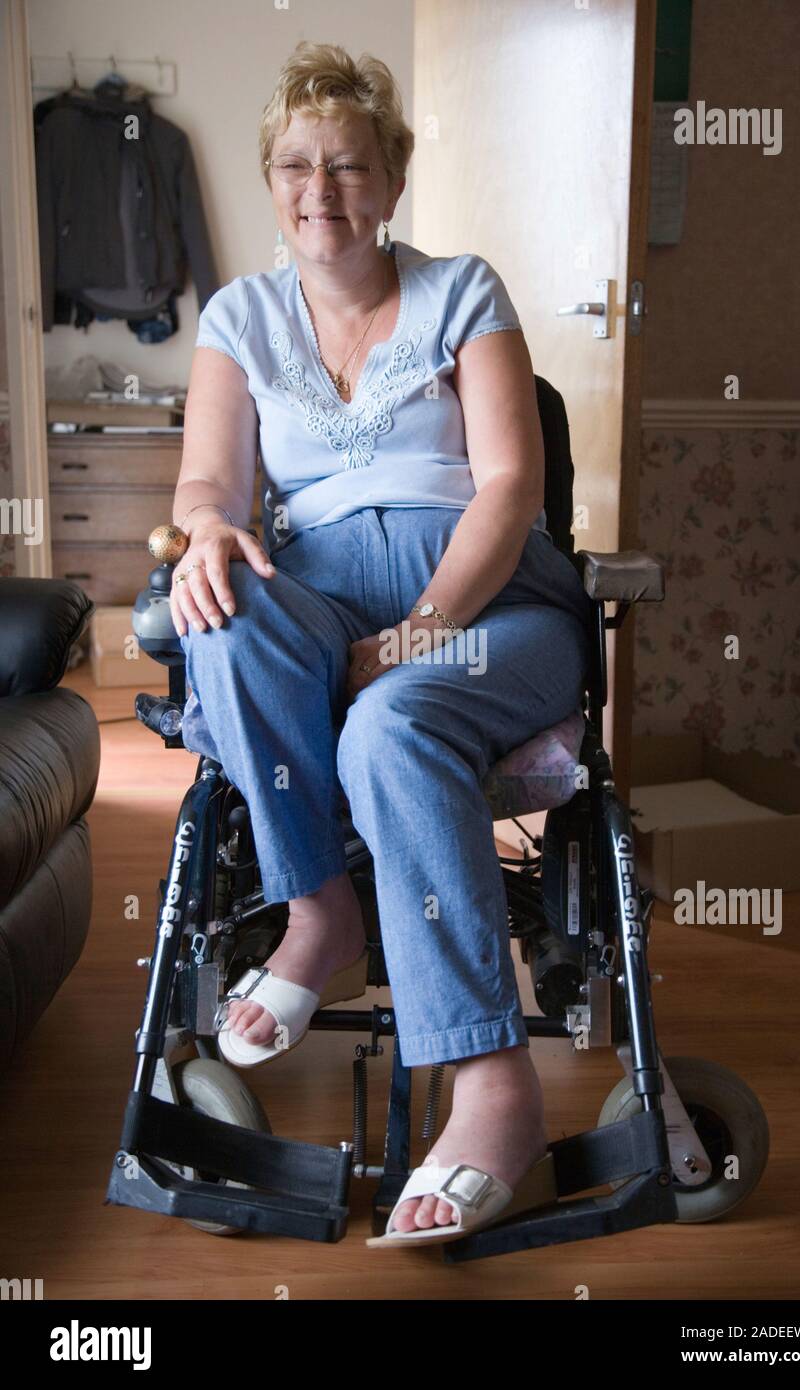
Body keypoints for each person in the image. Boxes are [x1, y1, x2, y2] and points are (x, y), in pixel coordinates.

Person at [171, 41, 593, 1245]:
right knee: (219, 609)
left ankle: (495, 1093)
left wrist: (422, 631)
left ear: (392, 179)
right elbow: (209, 478)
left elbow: (509, 488)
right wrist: (204, 531)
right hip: (313, 596)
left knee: (393, 719)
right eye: (296, 165)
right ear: (270, 180)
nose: (321, 189)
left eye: (348, 164)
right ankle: (319, 911)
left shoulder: (463, 289)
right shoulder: (238, 318)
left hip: (487, 602)